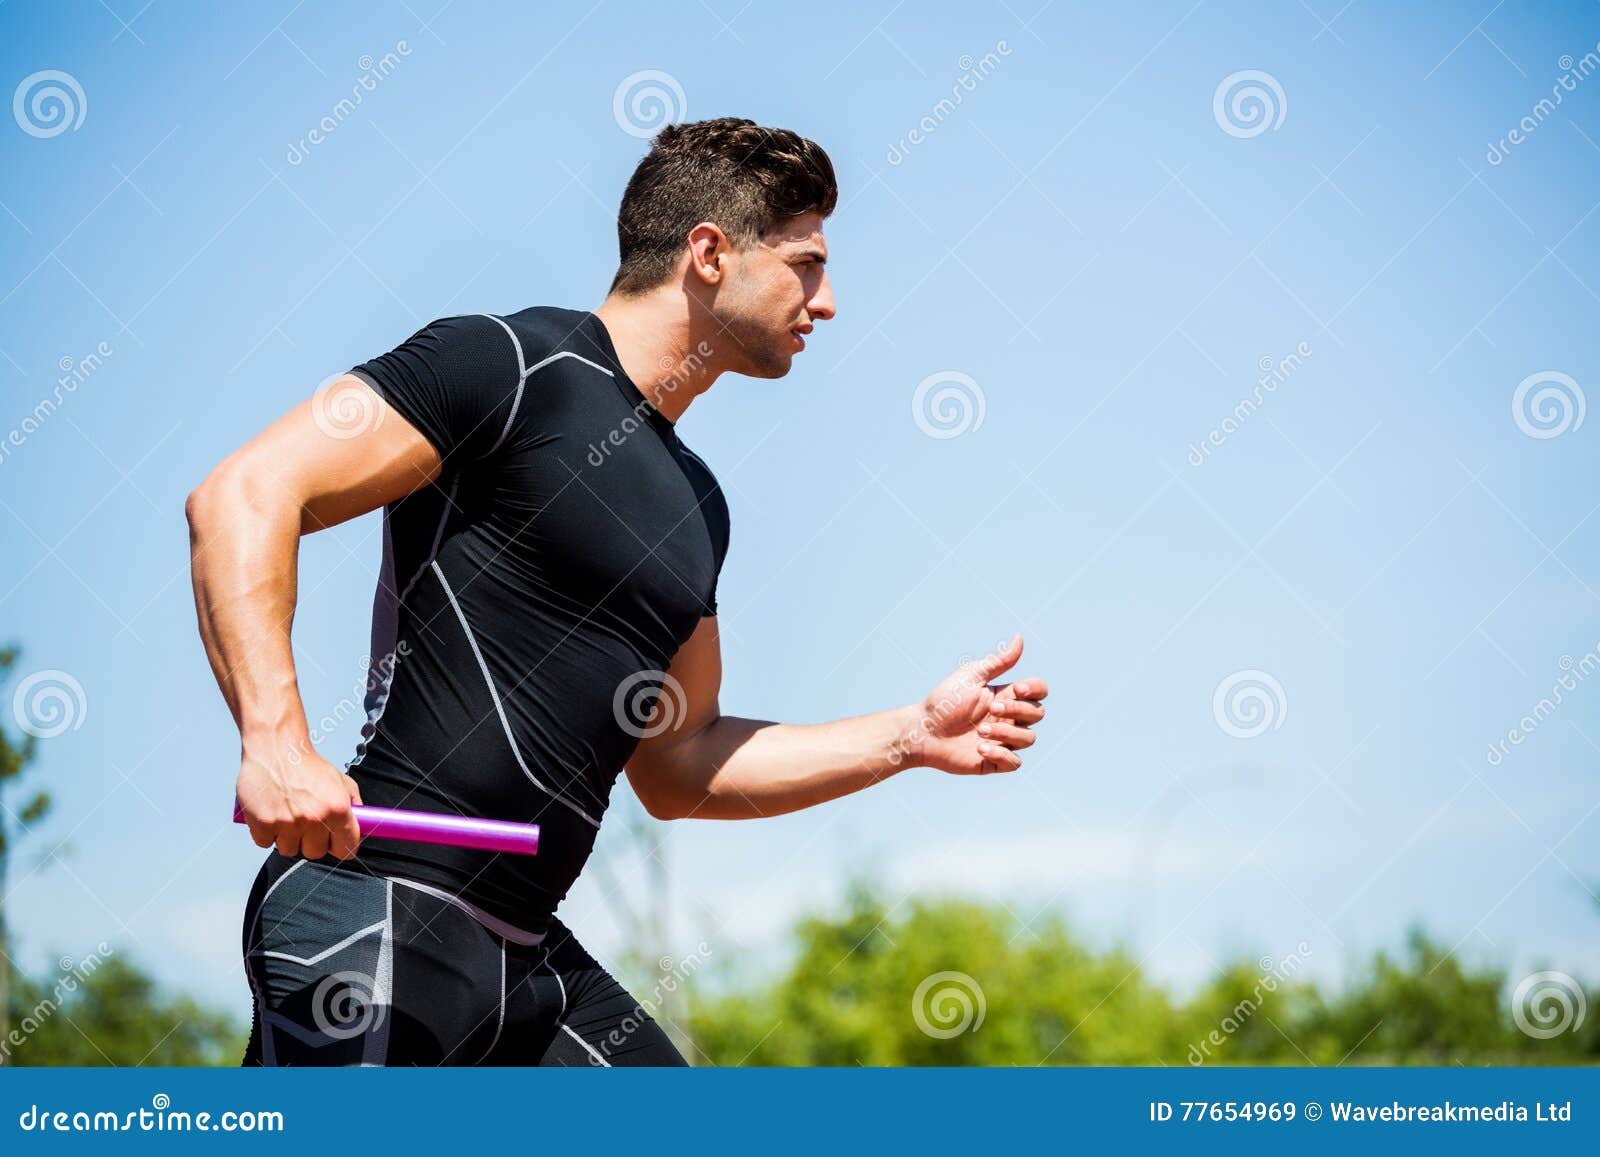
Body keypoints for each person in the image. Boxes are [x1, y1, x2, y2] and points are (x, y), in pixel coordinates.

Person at [186, 117, 1049, 1066]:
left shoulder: (698, 504)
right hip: (377, 903)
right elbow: (245, 493)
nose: (829, 301)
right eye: (806, 263)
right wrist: (275, 742)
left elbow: (680, 760)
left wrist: (908, 736)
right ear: (710, 253)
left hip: (527, 954)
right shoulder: (507, 367)